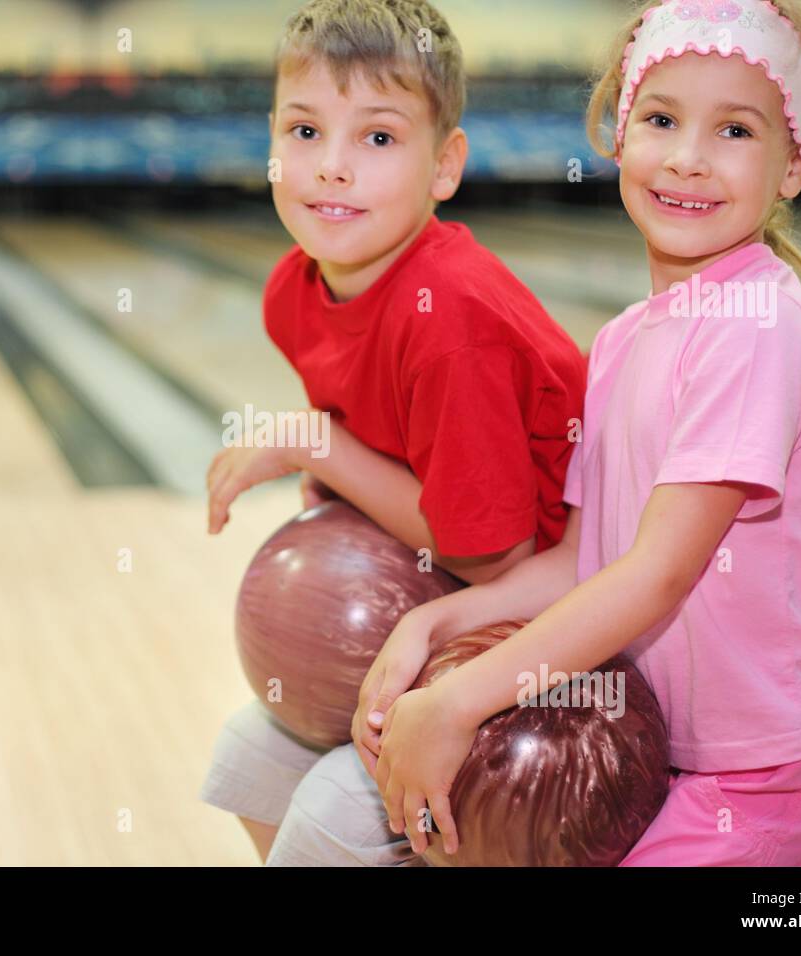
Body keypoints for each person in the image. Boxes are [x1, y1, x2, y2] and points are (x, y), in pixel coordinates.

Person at [353, 0, 801, 867]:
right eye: (662, 118)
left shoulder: (756, 323)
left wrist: (460, 702)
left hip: (775, 769)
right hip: (657, 745)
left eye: (736, 131)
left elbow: (658, 569)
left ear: (794, 168)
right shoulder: (626, 338)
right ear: (617, 135)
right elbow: (591, 556)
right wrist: (437, 623)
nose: (687, 157)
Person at [199, 0, 588, 864]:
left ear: (445, 165)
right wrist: (330, 467)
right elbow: (376, 456)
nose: (332, 167)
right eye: (304, 131)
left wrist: (316, 444)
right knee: (245, 761)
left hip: (572, 639)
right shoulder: (290, 293)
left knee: (335, 814)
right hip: (465, 611)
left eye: (378, 138)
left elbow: (496, 558)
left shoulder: (450, 314)